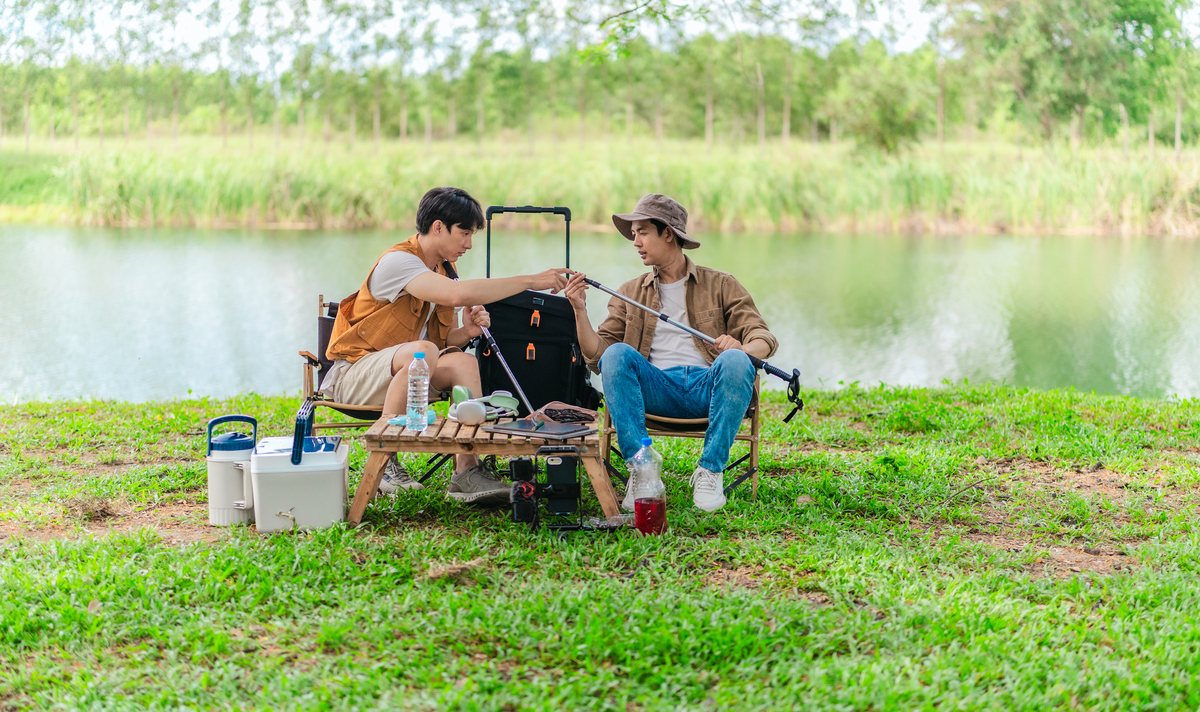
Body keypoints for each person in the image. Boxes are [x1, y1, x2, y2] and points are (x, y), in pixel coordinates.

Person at [323, 186, 570, 505]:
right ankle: (387, 463)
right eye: (464, 233)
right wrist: (531, 281)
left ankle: (466, 470)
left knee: (463, 362)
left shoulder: (443, 272)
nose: (469, 244)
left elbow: (445, 341)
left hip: (407, 374)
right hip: (354, 378)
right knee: (422, 351)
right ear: (438, 227)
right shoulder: (399, 262)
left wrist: (466, 331)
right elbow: (456, 297)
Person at [564, 193, 777, 512]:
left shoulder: (721, 284)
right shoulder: (629, 291)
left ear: (668, 233)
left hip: (708, 388)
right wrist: (579, 310)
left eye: (642, 232)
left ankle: (710, 471)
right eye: (633, 233)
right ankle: (642, 470)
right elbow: (599, 356)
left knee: (736, 359)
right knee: (617, 354)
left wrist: (742, 349)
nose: (635, 241)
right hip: (655, 389)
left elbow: (764, 340)